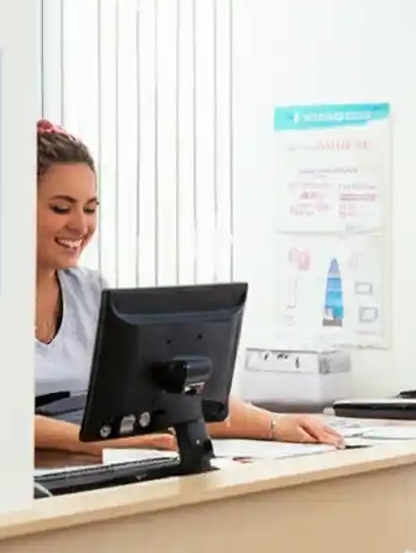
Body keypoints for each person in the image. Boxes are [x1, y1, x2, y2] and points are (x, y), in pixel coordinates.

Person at [33, 119, 343, 454]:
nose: (80, 225)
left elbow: (173, 395)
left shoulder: (90, 292)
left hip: (87, 469)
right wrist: (99, 444)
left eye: (90, 209)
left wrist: (274, 424)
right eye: (61, 208)